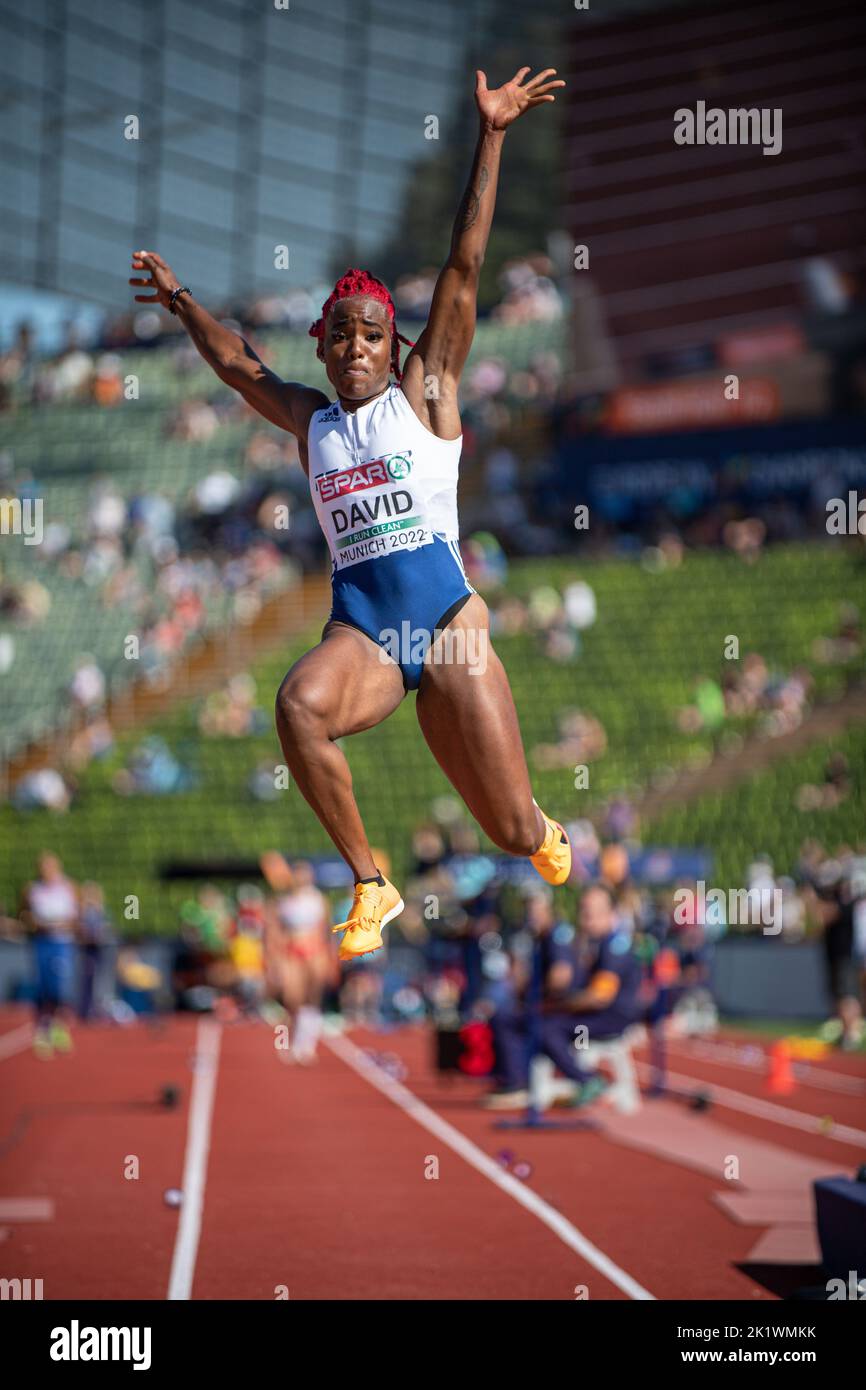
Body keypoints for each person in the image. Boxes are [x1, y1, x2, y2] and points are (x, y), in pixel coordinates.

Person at [129, 64, 569, 963]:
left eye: (374, 333)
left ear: (395, 344)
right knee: (296, 704)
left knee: (512, 831)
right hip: (364, 632)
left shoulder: (427, 391)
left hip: (447, 627)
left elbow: (464, 266)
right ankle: (372, 881)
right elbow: (236, 364)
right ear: (323, 346)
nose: (359, 346)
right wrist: (180, 303)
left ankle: (539, 828)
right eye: (343, 333)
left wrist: (490, 135)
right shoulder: (310, 420)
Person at [484, 884, 643, 1109]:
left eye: (592, 912)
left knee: (545, 1028)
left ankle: (584, 1080)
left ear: (610, 913)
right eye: (583, 911)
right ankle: (524, 1082)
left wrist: (554, 1006)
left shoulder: (615, 945)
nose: (585, 918)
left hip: (609, 1018)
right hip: (594, 1013)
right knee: (531, 1021)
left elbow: (598, 997)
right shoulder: (592, 942)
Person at [263, 854, 334, 1063]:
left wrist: (330, 957)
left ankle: (306, 1045)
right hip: (291, 950)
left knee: (313, 997)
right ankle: (289, 1039)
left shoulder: (319, 899)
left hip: (314, 949)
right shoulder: (282, 901)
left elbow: (326, 929)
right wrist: (274, 958)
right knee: (293, 997)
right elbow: (274, 930)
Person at [21, 853, 78, 1058]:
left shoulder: (67, 887)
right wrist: (35, 923)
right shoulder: (32, 889)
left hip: (61, 943)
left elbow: (74, 918)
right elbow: (25, 915)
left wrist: (59, 924)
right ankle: (42, 1029)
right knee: (42, 986)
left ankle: (58, 1026)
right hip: (41, 943)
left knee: (59, 988)